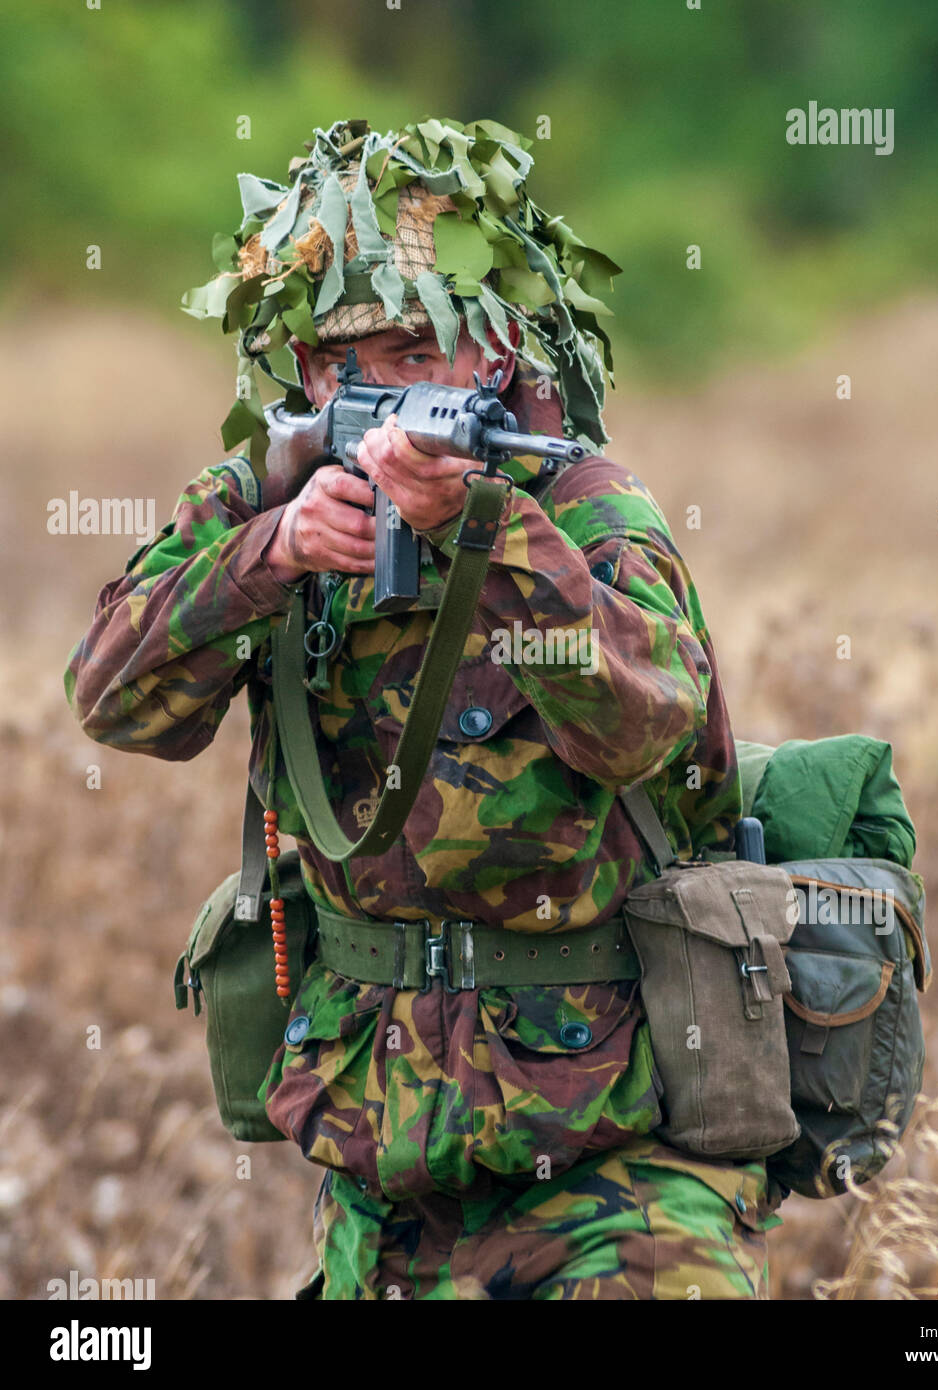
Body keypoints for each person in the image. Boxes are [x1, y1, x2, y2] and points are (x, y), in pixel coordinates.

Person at [64, 116, 785, 1300]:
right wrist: (273, 554)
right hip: (384, 1158)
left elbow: (644, 723)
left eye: (421, 350)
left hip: (613, 1151)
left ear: (491, 356)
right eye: (354, 364)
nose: (391, 391)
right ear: (304, 376)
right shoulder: (266, 501)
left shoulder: (588, 509)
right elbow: (113, 702)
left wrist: (483, 535)